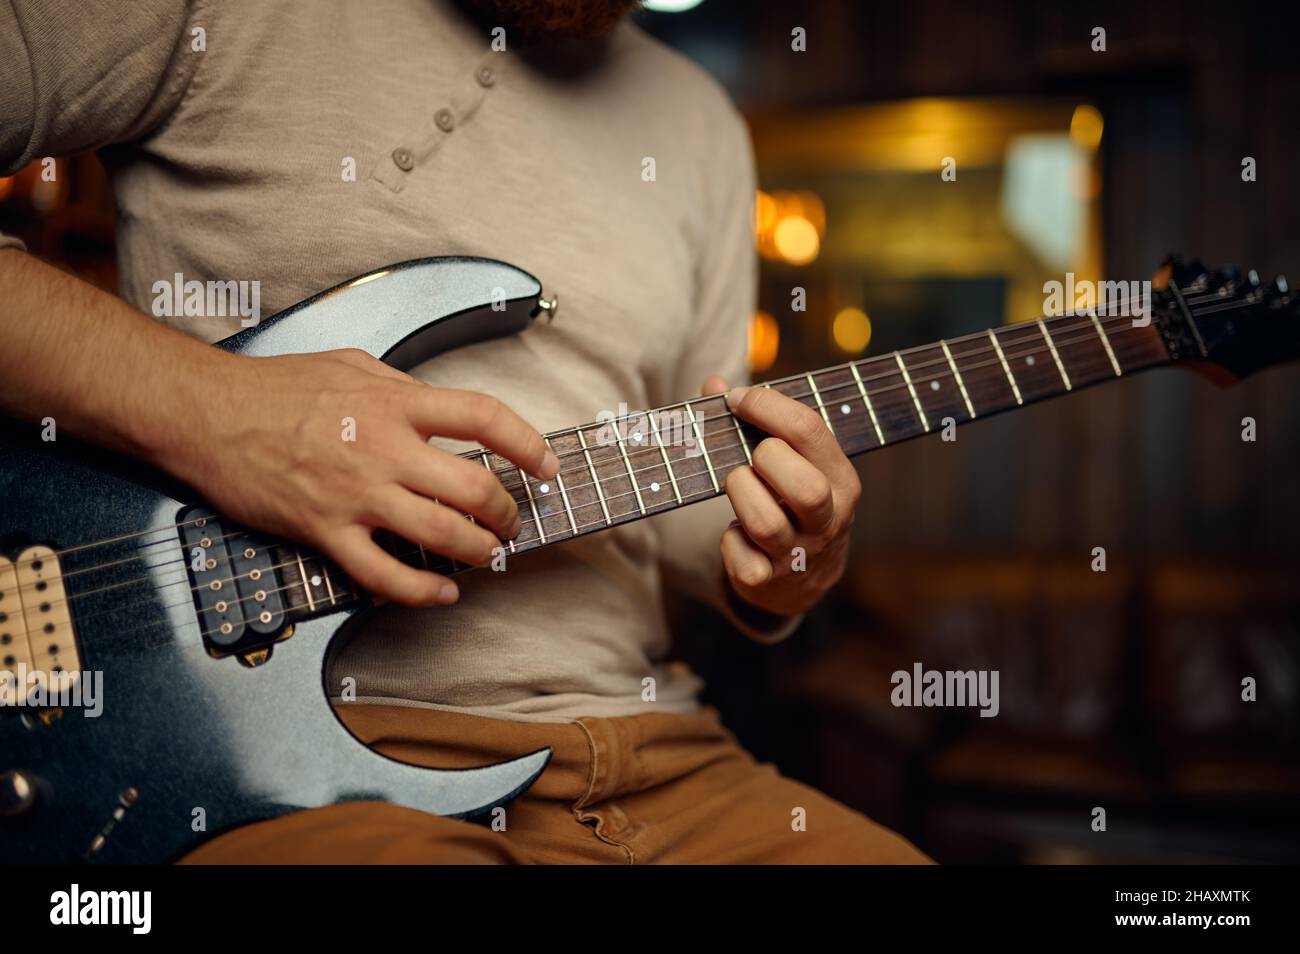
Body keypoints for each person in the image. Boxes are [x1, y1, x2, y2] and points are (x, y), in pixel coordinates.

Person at [0, 0, 929, 863]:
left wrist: (788, 557)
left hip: (664, 757)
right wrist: (223, 412)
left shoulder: (699, 124)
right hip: (304, 780)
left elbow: (692, 512)